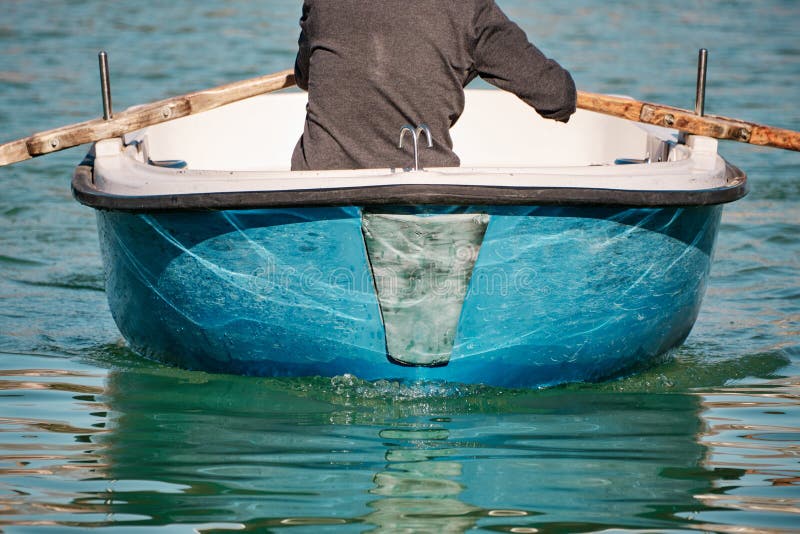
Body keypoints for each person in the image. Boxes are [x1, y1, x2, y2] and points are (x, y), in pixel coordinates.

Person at [291, 0, 576, 171]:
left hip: (314, 183)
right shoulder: (469, 8)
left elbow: (305, 77)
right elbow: (557, 96)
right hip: (418, 190)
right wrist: (471, 63)